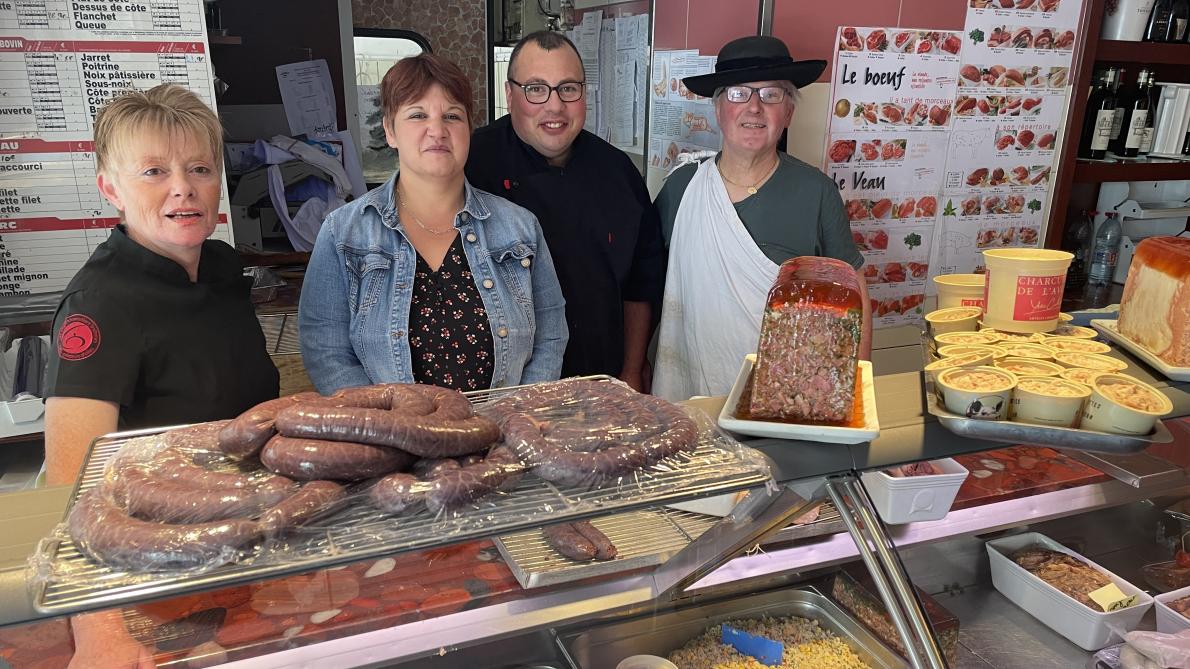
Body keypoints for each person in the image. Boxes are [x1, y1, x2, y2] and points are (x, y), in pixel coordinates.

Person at [42, 84, 280, 668]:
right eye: (153, 170)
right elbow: (70, 489)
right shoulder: (99, 305)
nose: (183, 187)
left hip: (241, 535)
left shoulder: (221, 267)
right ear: (110, 188)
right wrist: (100, 635)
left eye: (199, 167)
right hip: (152, 568)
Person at [299, 53, 567, 394]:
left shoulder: (520, 228)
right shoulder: (343, 232)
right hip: (391, 439)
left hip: (501, 434)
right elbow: (326, 351)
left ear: (469, 129)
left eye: (452, 116)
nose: (437, 130)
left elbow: (551, 336)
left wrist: (513, 417)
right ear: (390, 131)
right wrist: (392, 425)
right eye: (417, 115)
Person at [652, 35, 872, 401]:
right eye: (738, 93)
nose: (754, 108)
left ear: (788, 112)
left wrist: (858, 390)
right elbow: (647, 287)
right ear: (718, 108)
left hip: (791, 398)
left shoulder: (816, 193)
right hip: (694, 396)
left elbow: (855, 297)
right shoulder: (682, 189)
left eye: (771, 94)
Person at [466, 31, 665, 392]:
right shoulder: (471, 166)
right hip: (502, 389)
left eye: (568, 88)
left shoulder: (618, 173)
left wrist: (633, 370)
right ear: (510, 95)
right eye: (536, 89)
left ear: (584, 94)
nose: (554, 106)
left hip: (599, 382)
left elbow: (641, 283)